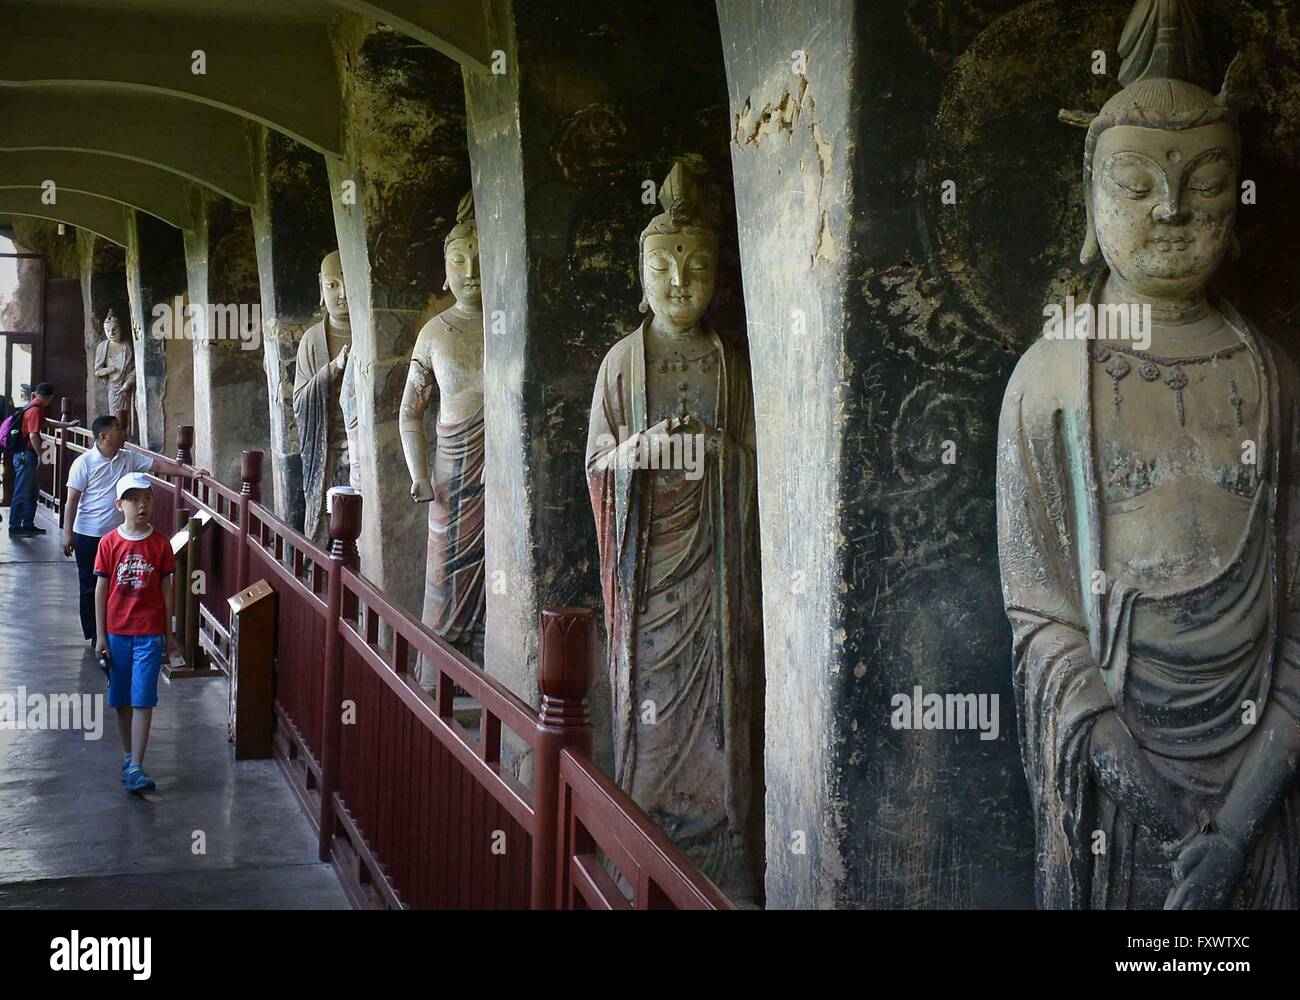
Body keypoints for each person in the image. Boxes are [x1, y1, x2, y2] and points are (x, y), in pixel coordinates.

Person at [63, 416, 206, 645]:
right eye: (118, 429)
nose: (123, 432)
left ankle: (112, 629)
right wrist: (67, 533)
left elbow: (157, 465)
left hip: (116, 536)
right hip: (88, 534)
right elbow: (72, 500)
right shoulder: (84, 463)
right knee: (90, 585)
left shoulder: (127, 458)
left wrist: (191, 474)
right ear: (103, 437)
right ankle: (93, 634)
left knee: (115, 584)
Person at [94, 472, 182, 793]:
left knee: (143, 697)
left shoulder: (160, 544)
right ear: (120, 505)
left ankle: (136, 766)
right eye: (133, 499)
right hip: (117, 632)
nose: (141, 505)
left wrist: (169, 632)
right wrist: (101, 636)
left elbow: (167, 589)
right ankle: (128, 754)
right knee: (121, 699)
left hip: (149, 633)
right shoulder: (109, 544)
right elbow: (101, 590)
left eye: (146, 498)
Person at [8, 382, 54, 537]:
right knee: (22, 490)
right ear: (50, 397)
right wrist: (41, 454)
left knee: (31, 490)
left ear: (36, 393)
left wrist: (65, 425)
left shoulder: (32, 407)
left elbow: (47, 423)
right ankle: (15, 526)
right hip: (25, 455)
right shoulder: (35, 410)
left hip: (24, 455)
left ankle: (27, 524)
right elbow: (34, 435)